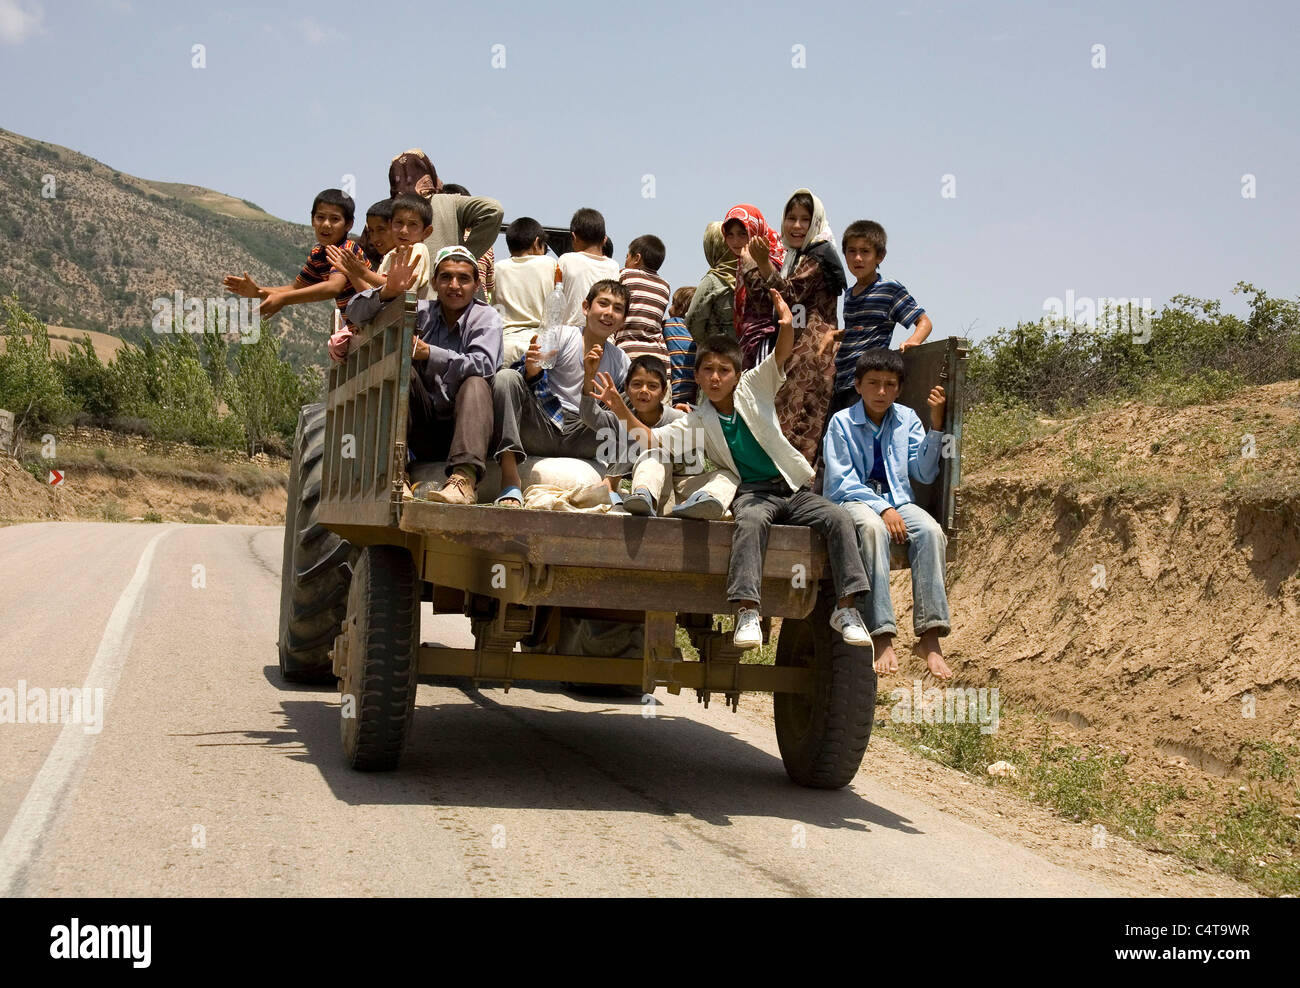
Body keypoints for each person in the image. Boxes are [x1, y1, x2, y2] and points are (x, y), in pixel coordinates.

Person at [593, 290, 871, 649]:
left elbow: (781, 353)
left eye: (724, 370)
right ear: (696, 374)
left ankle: (846, 609)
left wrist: (787, 325)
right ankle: (747, 611)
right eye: (707, 370)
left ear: (737, 375)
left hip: (791, 488)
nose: (715, 377)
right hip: (754, 494)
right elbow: (651, 441)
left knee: (839, 518)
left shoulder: (755, 388)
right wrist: (620, 409)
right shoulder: (699, 419)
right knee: (750, 524)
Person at [822, 348, 952, 680]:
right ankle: (881, 634)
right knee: (872, 530)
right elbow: (841, 481)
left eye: (889, 385)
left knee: (931, 532)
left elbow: (923, 473)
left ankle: (930, 636)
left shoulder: (907, 418)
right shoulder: (841, 423)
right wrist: (884, 508)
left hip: (898, 502)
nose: (881, 392)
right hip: (854, 502)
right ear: (858, 385)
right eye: (874, 383)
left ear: (899, 388)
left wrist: (936, 427)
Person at [344, 245, 501, 505]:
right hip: (423, 429)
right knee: (400, 372)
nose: (454, 285)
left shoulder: (486, 317)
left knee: (475, 383)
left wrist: (431, 354)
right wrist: (389, 291)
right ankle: (396, 474)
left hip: (466, 430)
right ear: (434, 283)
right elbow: (355, 313)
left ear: (476, 286)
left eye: (464, 278)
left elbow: (484, 365)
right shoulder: (420, 312)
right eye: (446, 277)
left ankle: (464, 479)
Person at [489, 280, 631, 507]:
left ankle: (611, 485)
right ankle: (509, 479)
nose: (609, 313)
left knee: (636, 398)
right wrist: (532, 370)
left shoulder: (621, 360)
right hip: (544, 424)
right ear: (586, 307)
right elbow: (530, 379)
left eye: (617, 308)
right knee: (506, 377)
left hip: (585, 434)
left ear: (623, 320)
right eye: (603, 304)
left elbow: (617, 415)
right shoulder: (563, 335)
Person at [742, 188, 848, 470]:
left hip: (813, 354)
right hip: (793, 351)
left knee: (801, 425)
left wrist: (761, 264)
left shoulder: (818, 255)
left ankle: (798, 495)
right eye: (791, 218)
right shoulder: (795, 257)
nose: (797, 226)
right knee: (785, 420)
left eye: (805, 219)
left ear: (816, 221)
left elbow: (787, 294)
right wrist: (752, 266)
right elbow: (769, 302)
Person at [831, 220, 933, 414]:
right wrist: (834, 335)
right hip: (844, 380)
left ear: (880, 256)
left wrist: (913, 341)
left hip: (868, 383)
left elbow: (924, 322)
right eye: (852, 251)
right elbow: (858, 330)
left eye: (865, 252)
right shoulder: (850, 294)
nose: (858, 258)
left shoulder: (889, 289)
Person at [222, 188, 368, 320]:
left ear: (349, 225)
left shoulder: (347, 249)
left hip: (374, 320)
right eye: (320, 217)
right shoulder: (318, 254)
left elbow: (333, 287)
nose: (326, 224)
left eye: (335, 219)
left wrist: (284, 299)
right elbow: (296, 289)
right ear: (312, 220)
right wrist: (259, 292)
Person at [385, 149, 503, 264]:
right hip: (446, 282)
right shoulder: (450, 202)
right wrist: (461, 260)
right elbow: (493, 209)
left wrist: (462, 257)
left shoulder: (386, 212)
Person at [327, 193, 434, 301]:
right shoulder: (389, 256)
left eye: (412, 224)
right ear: (391, 224)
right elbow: (372, 296)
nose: (403, 230)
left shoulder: (418, 249)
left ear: (426, 232)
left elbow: (401, 289)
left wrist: (364, 273)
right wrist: (352, 273)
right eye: (399, 222)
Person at [721, 203, 785, 368]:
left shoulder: (769, 260)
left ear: (755, 231)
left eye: (743, 234)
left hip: (764, 341)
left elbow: (763, 302)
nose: (736, 241)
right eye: (730, 235)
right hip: (750, 342)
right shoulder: (743, 261)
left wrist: (751, 267)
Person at [495, 216, 559, 365]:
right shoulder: (549, 264)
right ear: (537, 243)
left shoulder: (498, 268)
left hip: (505, 345)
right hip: (539, 345)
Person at [614, 235, 671, 366]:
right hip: (660, 358)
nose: (625, 261)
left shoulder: (625, 275)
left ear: (637, 258)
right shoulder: (665, 286)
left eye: (627, 256)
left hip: (629, 353)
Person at [557, 208, 619, 325]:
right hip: (604, 335)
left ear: (574, 237)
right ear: (604, 239)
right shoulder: (614, 266)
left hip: (572, 335)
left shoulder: (566, 260)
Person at [684, 221, 736, 344]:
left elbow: (692, 321)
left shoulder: (713, 280)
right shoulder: (749, 275)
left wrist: (708, 343)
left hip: (718, 353)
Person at [662, 286, 698, 406]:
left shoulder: (668, 325)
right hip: (694, 394)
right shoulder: (698, 331)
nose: (669, 310)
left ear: (681, 308)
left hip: (674, 393)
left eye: (673, 304)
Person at [356, 198, 395, 268]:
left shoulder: (410, 256)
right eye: (371, 231)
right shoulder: (385, 259)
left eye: (381, 230)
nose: (375, 238)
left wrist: (363, 273)